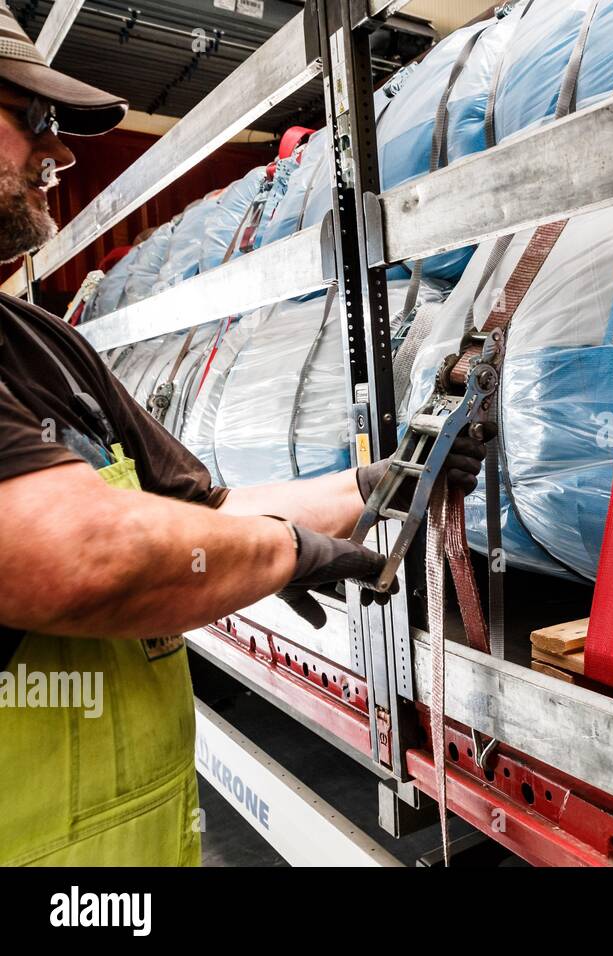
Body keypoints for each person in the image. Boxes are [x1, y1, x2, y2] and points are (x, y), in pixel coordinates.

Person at [0, 6, 486, 866]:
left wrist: (386, 485)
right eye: (32, 120)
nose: (58, 155)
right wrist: (284, 555)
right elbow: (80, 556)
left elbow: (213, 507)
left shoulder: (48, 346)